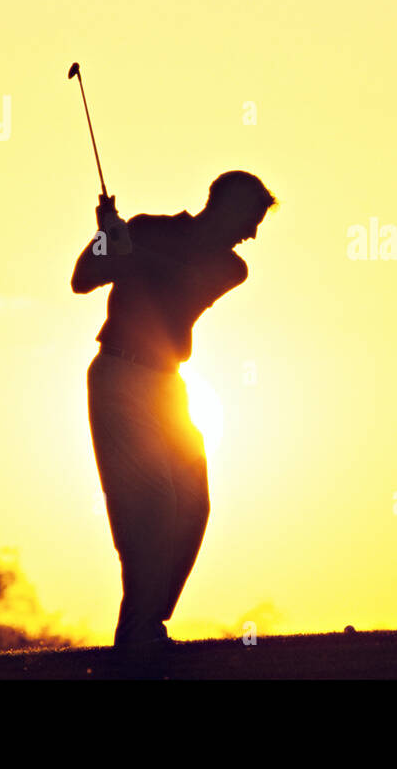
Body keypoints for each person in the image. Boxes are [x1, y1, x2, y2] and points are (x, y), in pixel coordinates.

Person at [71, 170, 276, 651]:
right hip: (118, 375)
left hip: (168, 386)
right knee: (154, 502)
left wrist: (125, 249)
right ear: (222, 206)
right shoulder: (146, 229)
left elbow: (178, 279)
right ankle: (142, 629)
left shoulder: (231, 267)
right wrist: (105, 241)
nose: (252, 233)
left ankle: (144, 622)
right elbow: (83, 279)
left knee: (192, 504)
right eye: (250, 218)